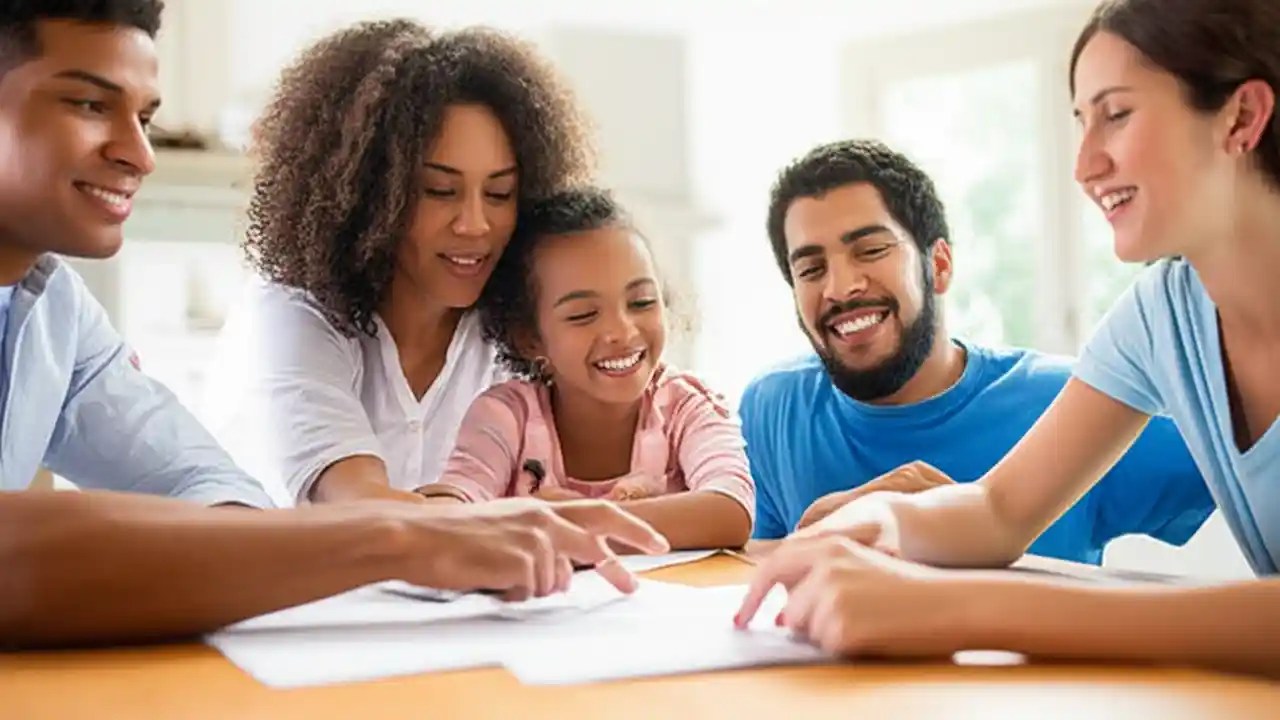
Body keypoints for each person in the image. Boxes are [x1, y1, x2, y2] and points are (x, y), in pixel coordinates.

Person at [0, 1, 666, 650]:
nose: (141, 155)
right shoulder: (294, 310)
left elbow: (210, 495)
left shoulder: (59, 314)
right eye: (89, 104)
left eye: (146, 117)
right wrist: (401, 538)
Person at [736, 0, 1280, 678]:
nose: (1084, 165)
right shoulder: (1160, 317)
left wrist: (962, 607)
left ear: (1242, 117)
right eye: (1080, 122)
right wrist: (881, 522)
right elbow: (998, 507)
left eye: (1116, 114)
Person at [740, 139, 1213, 565]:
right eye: (811, 268)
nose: (840, 287)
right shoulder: (772, 407)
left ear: (939, 266)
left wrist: (963, 529)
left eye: (870, 250)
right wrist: (817, 536)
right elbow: (743, 569)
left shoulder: (1077, 404)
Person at [202, 19, 594, 507]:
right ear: (370, 194)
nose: (475, 224)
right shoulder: (294, 312)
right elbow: (364, 506)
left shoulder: (513, 327)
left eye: (499, 193)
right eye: (439, 191)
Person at [428, 188, 754, 549]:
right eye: (583, 315)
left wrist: (566, 523)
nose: (622, 332)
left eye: (641, 302)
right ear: (529, 338)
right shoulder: (506, 415)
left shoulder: (687, 406)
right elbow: (452, 514)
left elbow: (730, 510)